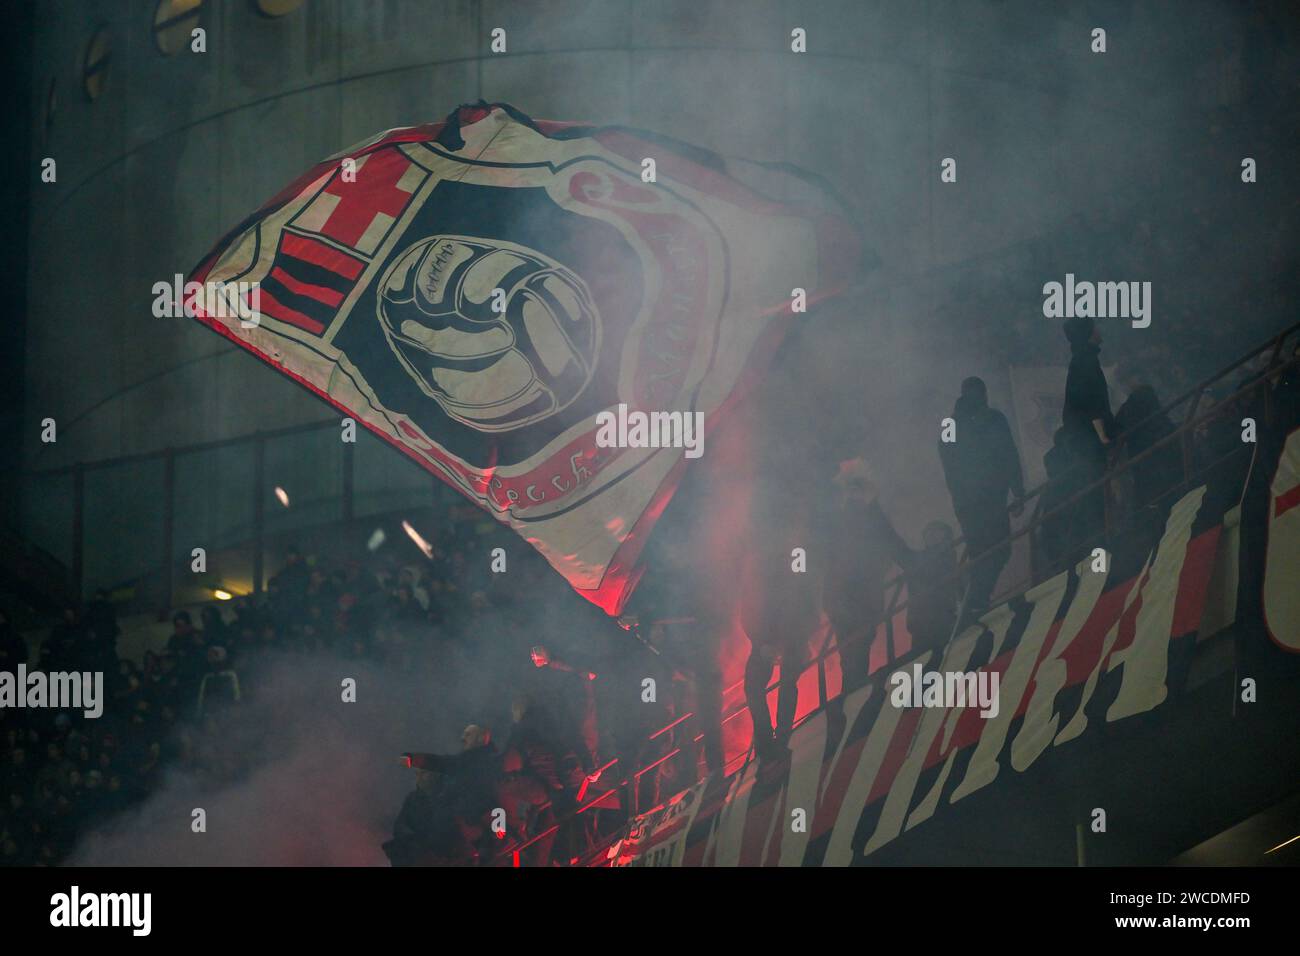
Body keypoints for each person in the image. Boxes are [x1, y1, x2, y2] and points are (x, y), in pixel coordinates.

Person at [820, 458, 911, 693]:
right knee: (856, 641)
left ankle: (851, 689)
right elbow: (890, 542)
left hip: (848, 593)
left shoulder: (843, 519)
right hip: (852, 593)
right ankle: (854, 689)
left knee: (853, 644)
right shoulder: (865, 516)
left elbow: (888, 542)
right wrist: (913, 561)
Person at [1060, 317, 1115, 552]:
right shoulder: (1085, 360)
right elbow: (1090, 402)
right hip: (1086, 440)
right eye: (1095, 326)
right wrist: (1103, 436)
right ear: (1089, 332)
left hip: (1081, 439)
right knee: (1093, 491)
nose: (1100, 329)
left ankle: (1093, 545)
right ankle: (1097, 547)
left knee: (1091, 491)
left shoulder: (1081, 359)